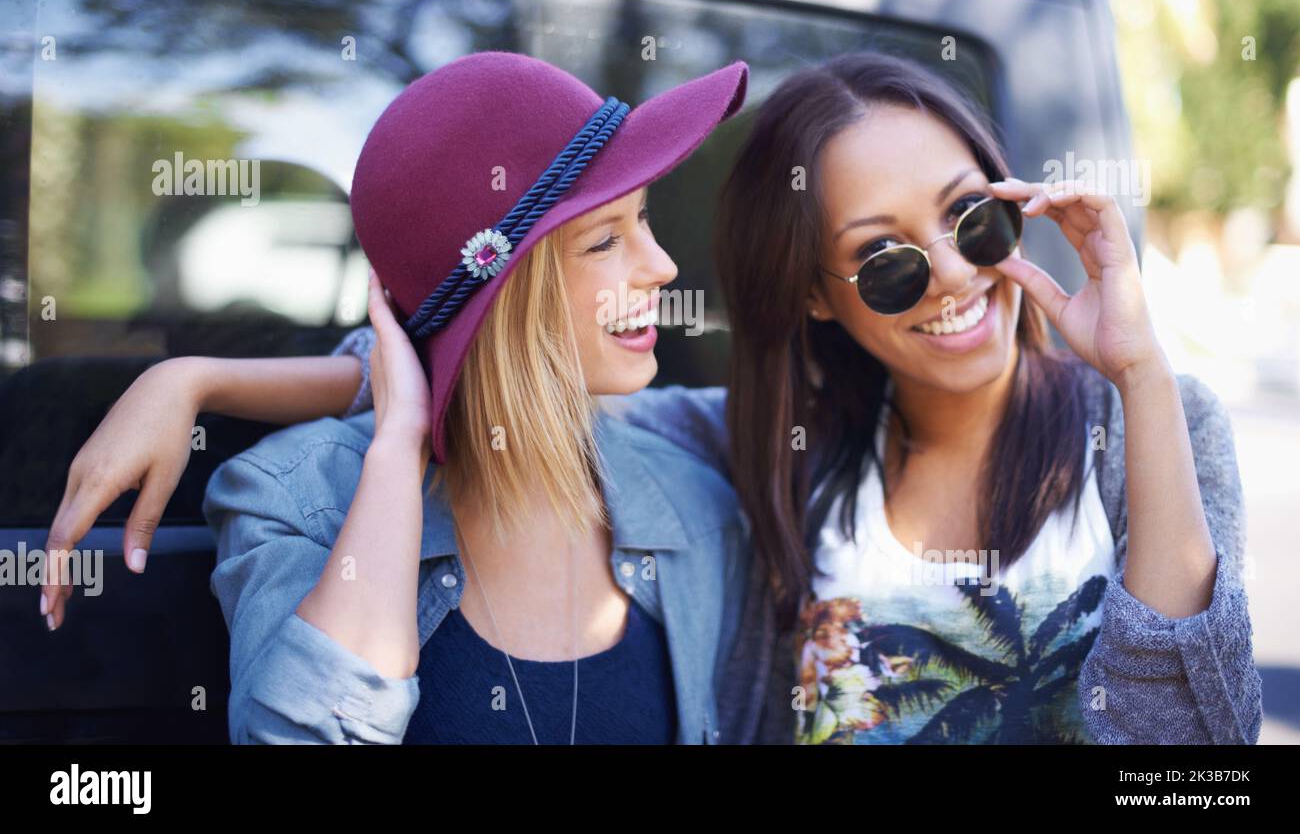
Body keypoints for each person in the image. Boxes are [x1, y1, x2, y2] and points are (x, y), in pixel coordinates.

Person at [44, 51, 1261, 745]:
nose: (951, 276)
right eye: (885, 260)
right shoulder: (755, 455)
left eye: (976, 218)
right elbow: (457, 381)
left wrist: (1140, 373)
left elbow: (1192, 750)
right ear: (822, 301)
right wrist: (195, 379)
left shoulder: (1140, 432)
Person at [45, 50, 752, 744]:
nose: (662, 266)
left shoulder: (695, 494)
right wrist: (397, 447)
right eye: (605, 241)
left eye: (645, 218)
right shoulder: (294, 498)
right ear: (503, 295)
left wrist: (197, 378)